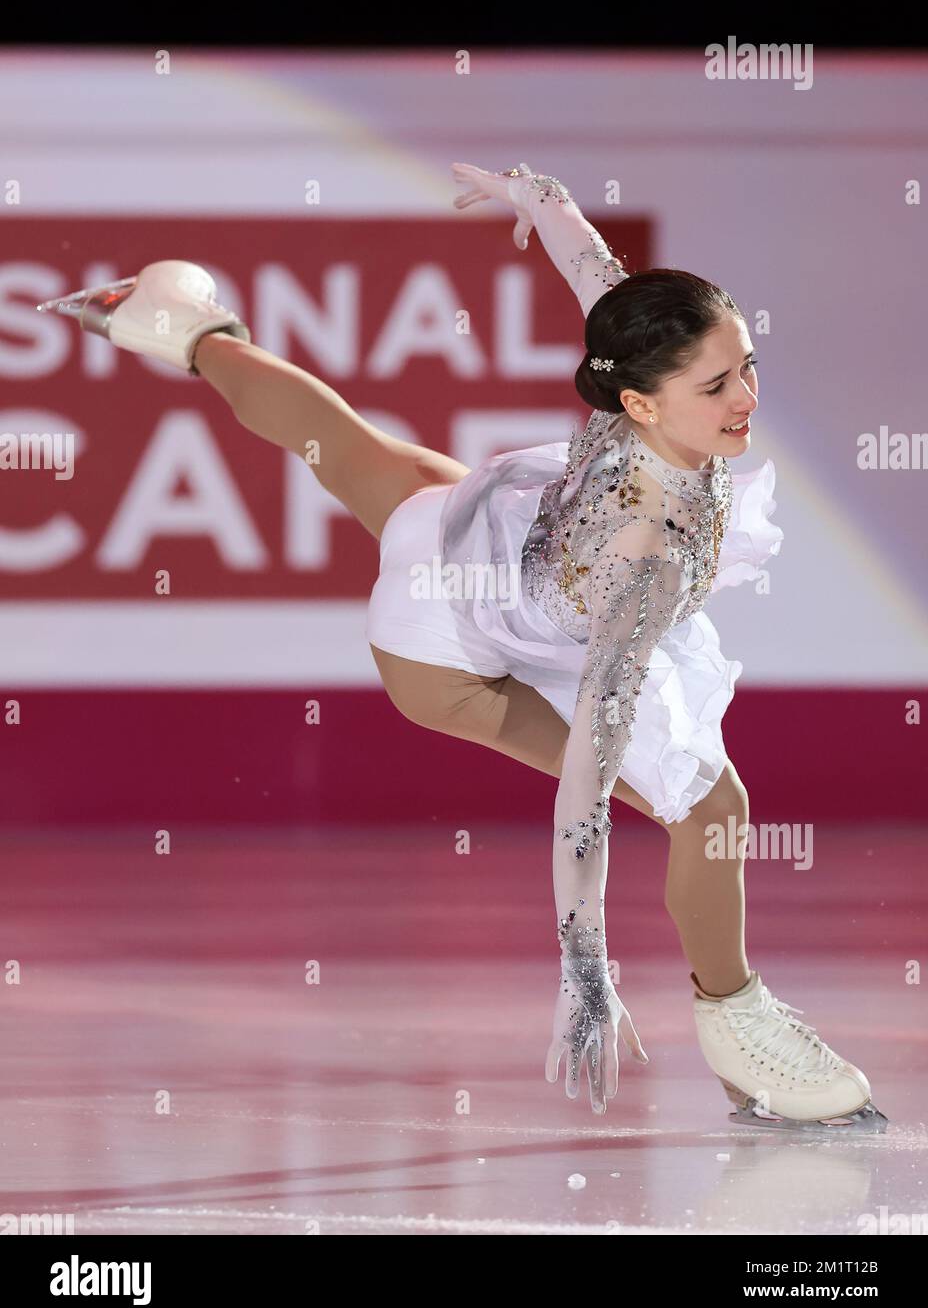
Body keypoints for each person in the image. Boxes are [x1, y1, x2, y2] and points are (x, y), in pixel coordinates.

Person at [38, 162, 887, 1131]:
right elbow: (585, 791)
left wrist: (543, 200)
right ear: (642, 405)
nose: (745, 396)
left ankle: (178, 328)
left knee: (351, 449)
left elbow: (598, 279)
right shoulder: (643, 558)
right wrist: (584, 960)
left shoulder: (637, 372)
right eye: (717, 383)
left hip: (510, 549)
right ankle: (739, 1024)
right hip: (448, 653)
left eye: (745, 366)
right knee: (712, 803)